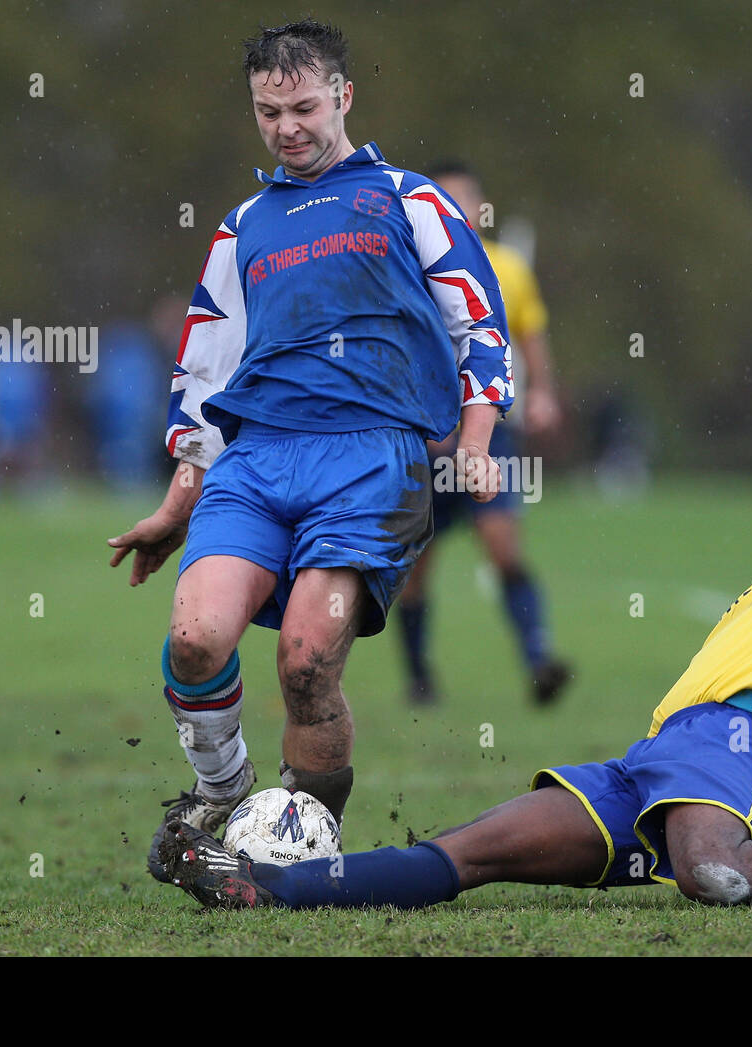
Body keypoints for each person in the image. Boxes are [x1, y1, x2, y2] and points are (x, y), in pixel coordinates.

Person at [157, 331, 752, 911]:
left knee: (714, 868)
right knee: (470, 851)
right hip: (654, 761)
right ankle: (264, 886)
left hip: (731, 747)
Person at [106, 20, 514, 883]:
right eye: (267, 111)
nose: (286, 126)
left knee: (305, 659)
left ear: (343, 97)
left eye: (301, 107)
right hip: (258, 465)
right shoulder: (242, 227)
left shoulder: (410, 200)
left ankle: (299, 855)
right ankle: (220, 801)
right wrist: (178, 501)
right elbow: (203, 374)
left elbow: (479, 321)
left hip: (372, 463)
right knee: (194, 638)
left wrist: (476, 439)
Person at [395, 161, 571, 706]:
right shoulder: (406, 265)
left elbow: (531, 337)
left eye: (466, 198)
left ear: (480, 204)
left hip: (492, 435)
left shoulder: (509, 267)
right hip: (424, 441)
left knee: (502, 546)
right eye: (445, 200)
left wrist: (541, 393)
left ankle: (539, 658)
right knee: (415, 567)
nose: (457, 209)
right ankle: (420, 677)